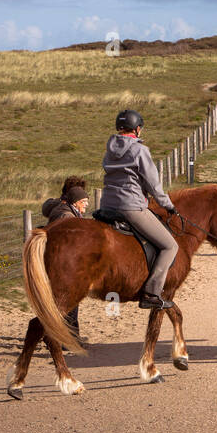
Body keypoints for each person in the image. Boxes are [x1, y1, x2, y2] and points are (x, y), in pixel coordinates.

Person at [100, 109, 179, 309]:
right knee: (170, 246)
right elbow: (153, 184)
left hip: (107, 205)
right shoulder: (140, 150)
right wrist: (168, 205)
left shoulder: (109, 149)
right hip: (131, 207)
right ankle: (151, 293)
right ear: (137, 129)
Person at [41, 175, 91, 342]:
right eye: (83, 200)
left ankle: (70, 337)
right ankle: (68, 339)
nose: (86, 204)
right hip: (65, 266)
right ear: (74, 200)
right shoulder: (66, 216)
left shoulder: (63, 210)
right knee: (68, 302)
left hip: (62, 264)